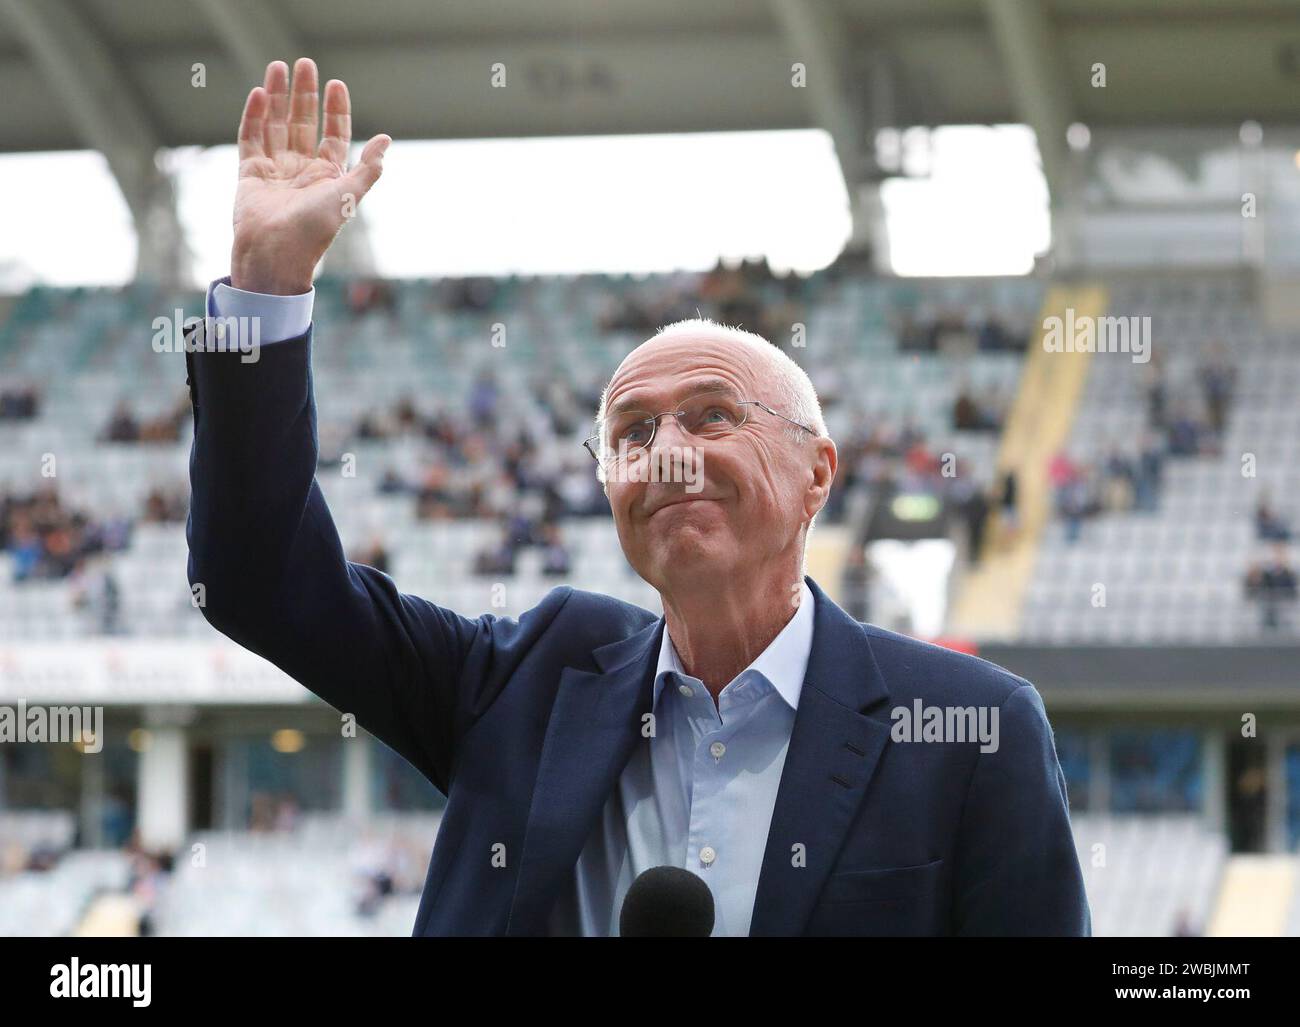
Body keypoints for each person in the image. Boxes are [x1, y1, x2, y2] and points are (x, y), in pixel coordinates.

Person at [185, 58, 1089, 936]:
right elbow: (258, 580)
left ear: (817, 472)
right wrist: (267, 286)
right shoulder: (522, 685)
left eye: (712, 415)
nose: (668, 457)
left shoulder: (974, 728)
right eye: (631, 434)